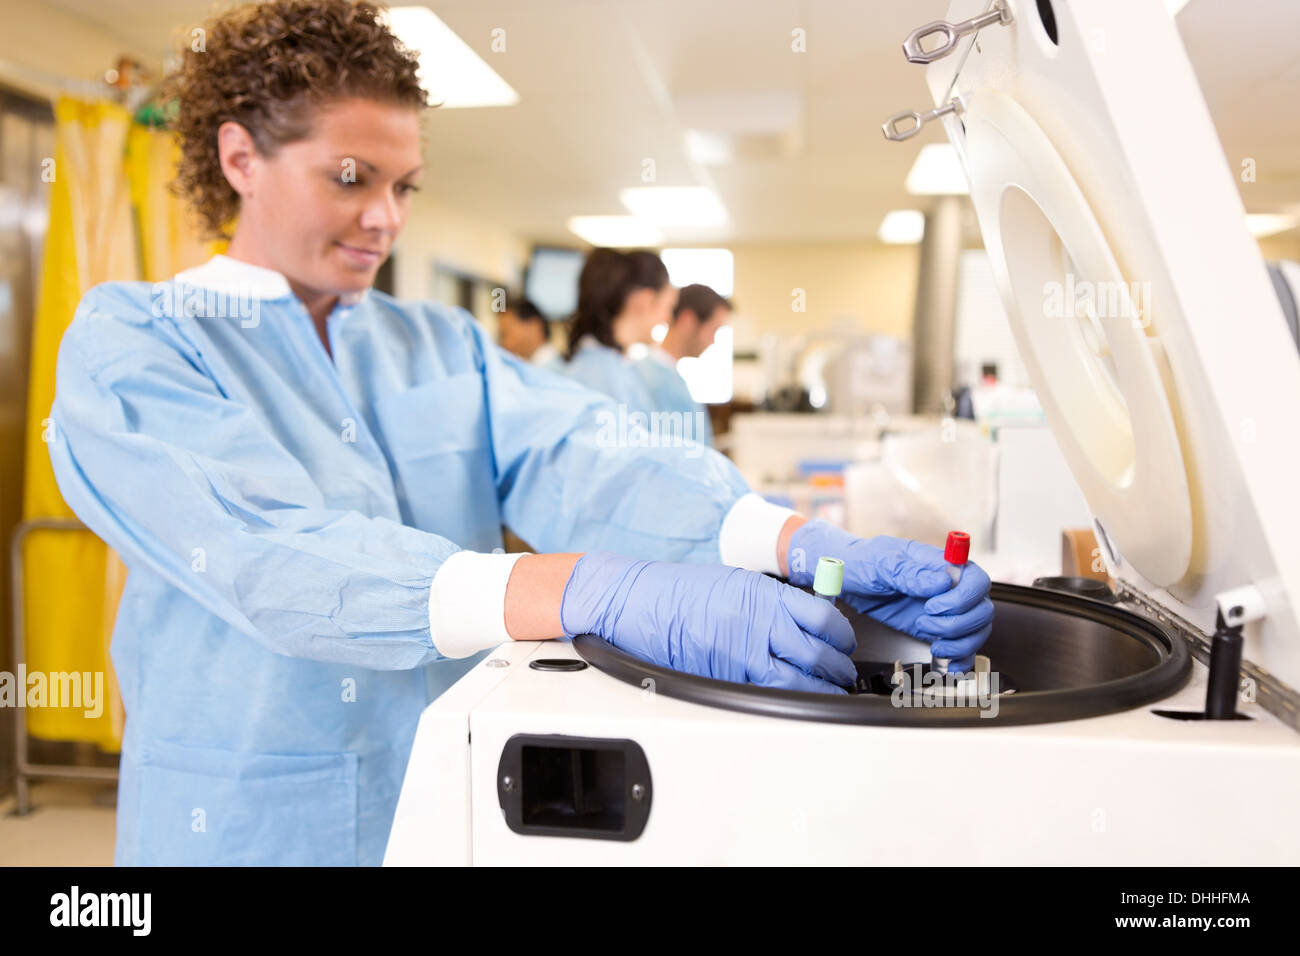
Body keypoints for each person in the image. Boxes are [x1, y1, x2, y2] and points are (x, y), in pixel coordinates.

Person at [45, 0, 993, 867]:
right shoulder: (135, 342)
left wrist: (785, 539)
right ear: (241, 158)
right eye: (350, 178)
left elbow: (585, 454)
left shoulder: (435, 340)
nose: (386, 218)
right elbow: (274, 553)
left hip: (448, 793)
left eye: (406, 186)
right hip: (250, 821)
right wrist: (586, 587)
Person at [557, 248, 670, 413]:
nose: (667, 318)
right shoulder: (601, 374)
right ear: (645, 300)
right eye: (667, 307)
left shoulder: (615, 366)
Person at [637, 282, 731, 446]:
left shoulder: (671, 378)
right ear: (688, 320)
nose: (713, 341)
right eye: (714, 329)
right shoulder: (649, 380)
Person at [497, 291, 559, 368]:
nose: (503, 344)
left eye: (506, 333)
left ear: (534, 326)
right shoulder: (532, 367)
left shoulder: (553, 373)